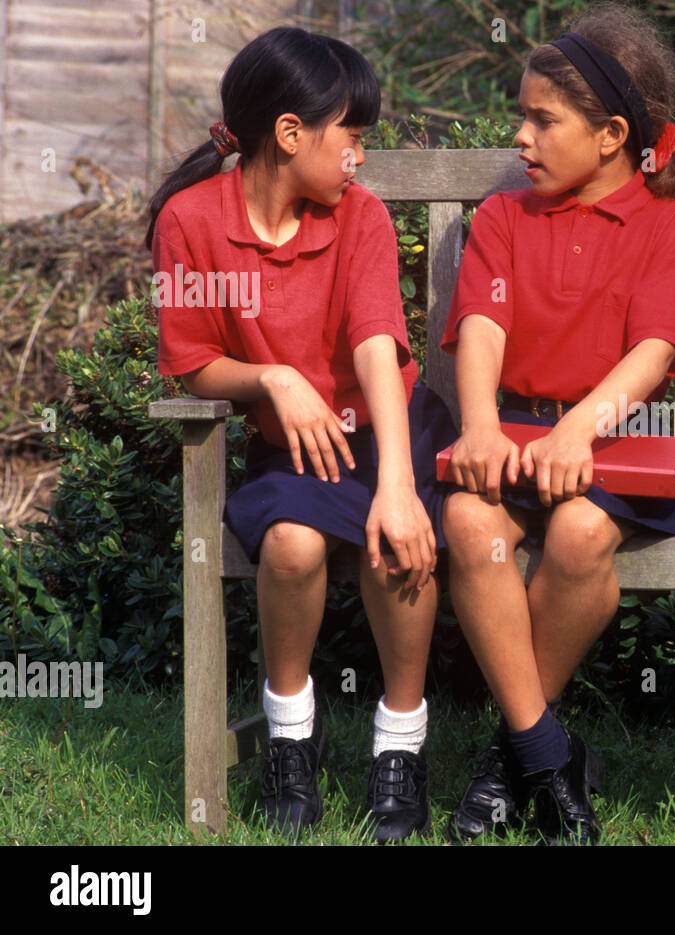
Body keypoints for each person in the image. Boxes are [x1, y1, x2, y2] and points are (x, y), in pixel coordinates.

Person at [437, 4, 675, 844]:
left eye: (543, 120)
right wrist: (477, 424)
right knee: (470, 520)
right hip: (509, 435)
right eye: (521, 118)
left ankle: (508, 759)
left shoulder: (669, 225)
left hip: (614, 447)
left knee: (577, 536)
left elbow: (654, 350)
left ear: (612, 134)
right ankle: (545, 753)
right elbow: (483, 329)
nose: (522, 138)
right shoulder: (505, 219)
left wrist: (579, 431)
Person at [149, 26, 458, 842]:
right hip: (292, 445)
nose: (361, 156)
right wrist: (273, 378)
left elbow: (378, 348)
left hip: (390, 425)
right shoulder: (191, 222)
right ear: (290, 133)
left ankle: (400, 747)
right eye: (352, 135)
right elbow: (192, 363)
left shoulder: (359, 219)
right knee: (289, 543)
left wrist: (396, 482)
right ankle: (291, 743)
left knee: (400, 539)